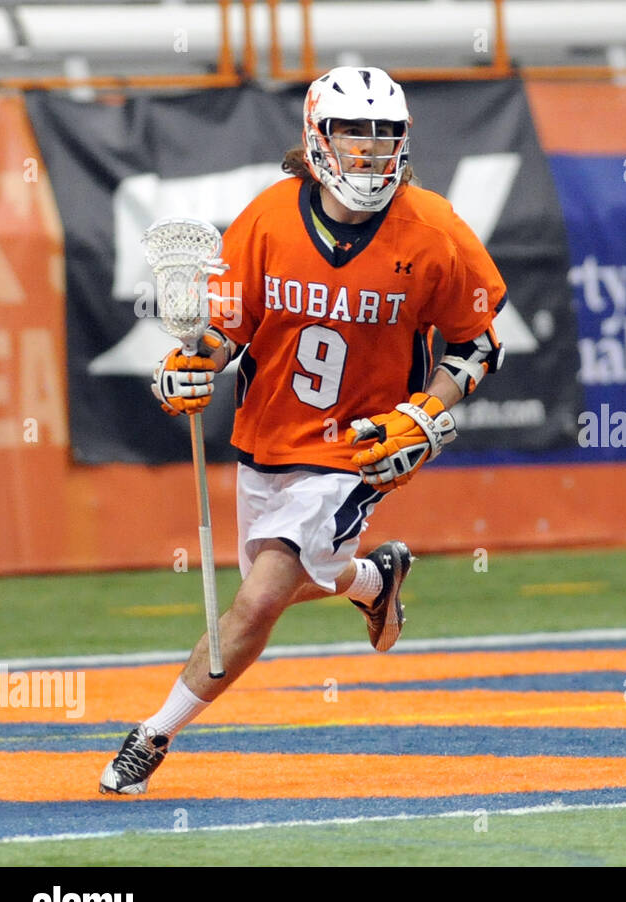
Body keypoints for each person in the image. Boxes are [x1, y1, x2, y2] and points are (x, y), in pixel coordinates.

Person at [100, 66, 506, 794]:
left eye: (386, 133)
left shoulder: (435, 228)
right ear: (319, 136)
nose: (372, 148)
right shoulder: (268, 217)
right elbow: (225, 331)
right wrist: (192, 368)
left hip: (359, 448)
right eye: (355, 130)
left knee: (259, 597)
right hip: (270, 438)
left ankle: (152, 735)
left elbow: (478, 342)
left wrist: (427, 411)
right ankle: (373, 579)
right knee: (287, 578)